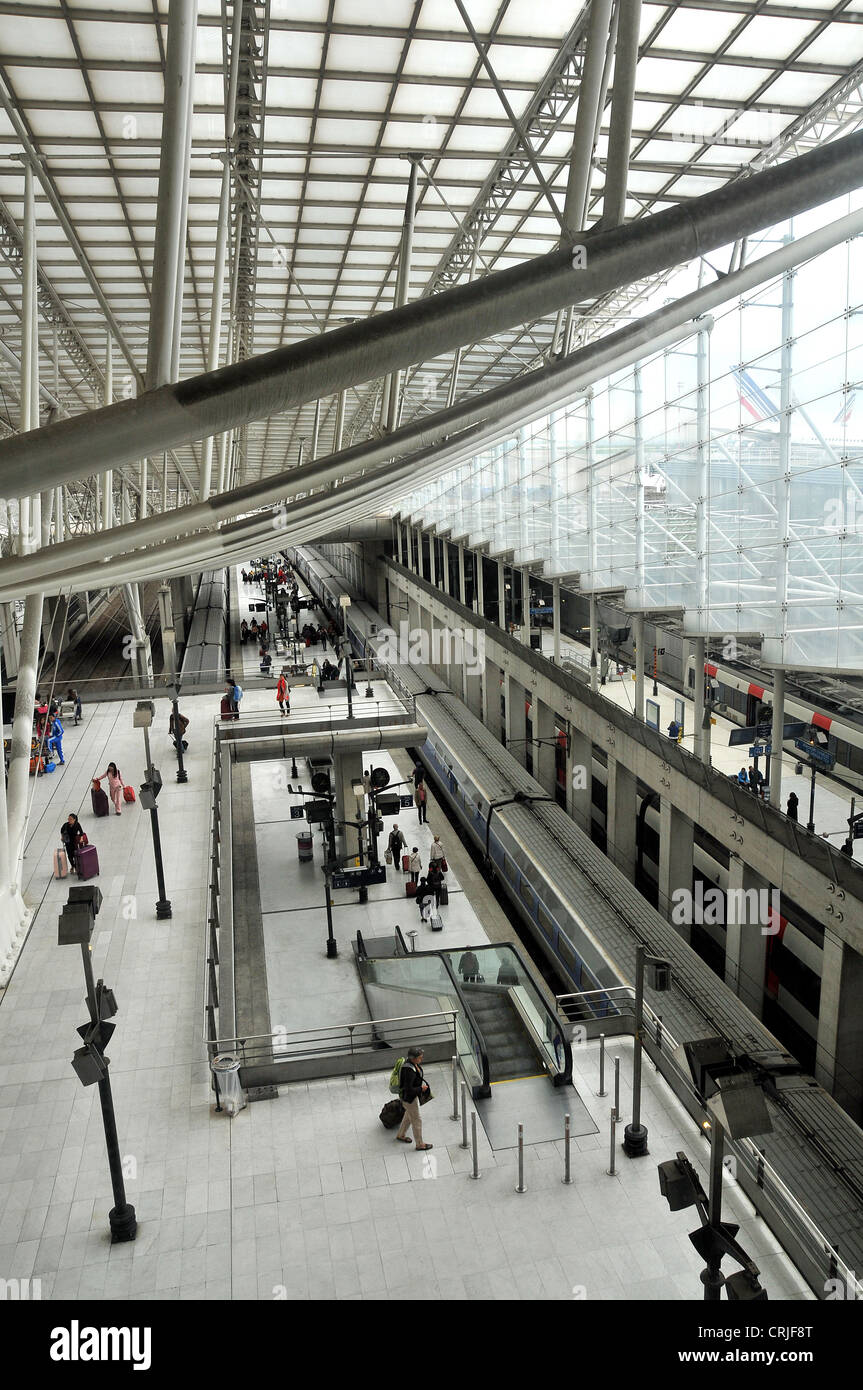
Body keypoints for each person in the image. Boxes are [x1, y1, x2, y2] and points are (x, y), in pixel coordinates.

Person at [394, 1046, 432, 1150]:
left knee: (408, 1116)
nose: (422, 1058)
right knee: (417, 1120)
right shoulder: (409, 1070)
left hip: (409, 1098)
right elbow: (408, 1089)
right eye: (420, 1057)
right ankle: (420, 1144)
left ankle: (401, 1135)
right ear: (413, 1058)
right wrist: (421, 1089)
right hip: (409, 1099)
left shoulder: (412, 1064)